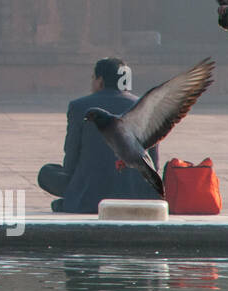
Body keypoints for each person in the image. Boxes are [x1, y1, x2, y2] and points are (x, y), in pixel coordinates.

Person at [38, 57, 162, 213]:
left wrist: (71, 182)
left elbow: (71, 156)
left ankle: (72, 199)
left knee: (47, 173)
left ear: (100, 80)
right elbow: (154, 163)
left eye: (93, 78)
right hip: (135, 193)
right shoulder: (147, 107)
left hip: (90, 197)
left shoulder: (79, 106)